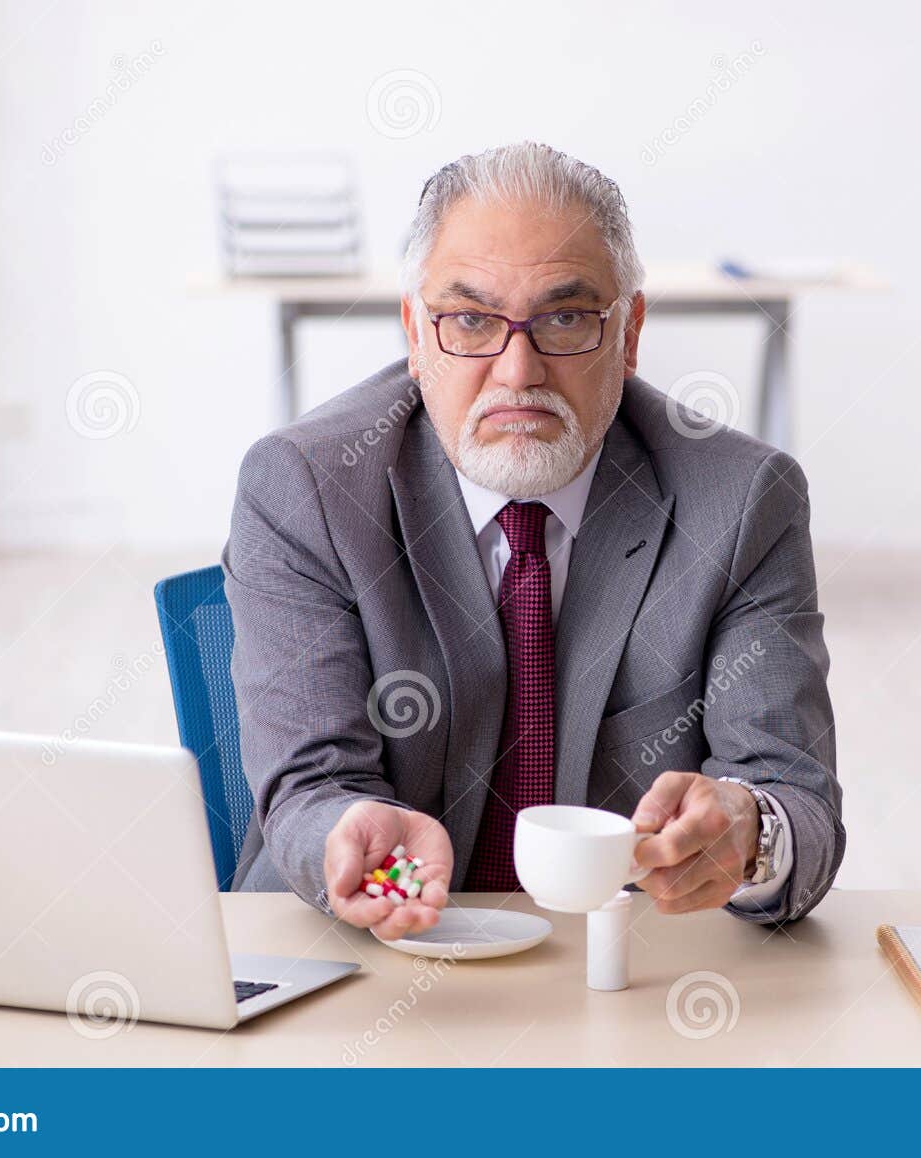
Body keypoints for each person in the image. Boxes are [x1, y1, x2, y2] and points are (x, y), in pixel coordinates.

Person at [223, 141, 843, 940]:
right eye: (471, 320)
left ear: (629, 334)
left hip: (622, 979)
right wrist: (351, 835)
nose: (518, 371)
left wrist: (751, 836)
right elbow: (310, 785)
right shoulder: (306, 487)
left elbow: (794, 799)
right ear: (416, 332)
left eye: (564, 318)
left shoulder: (742, 501)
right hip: (358, 955)